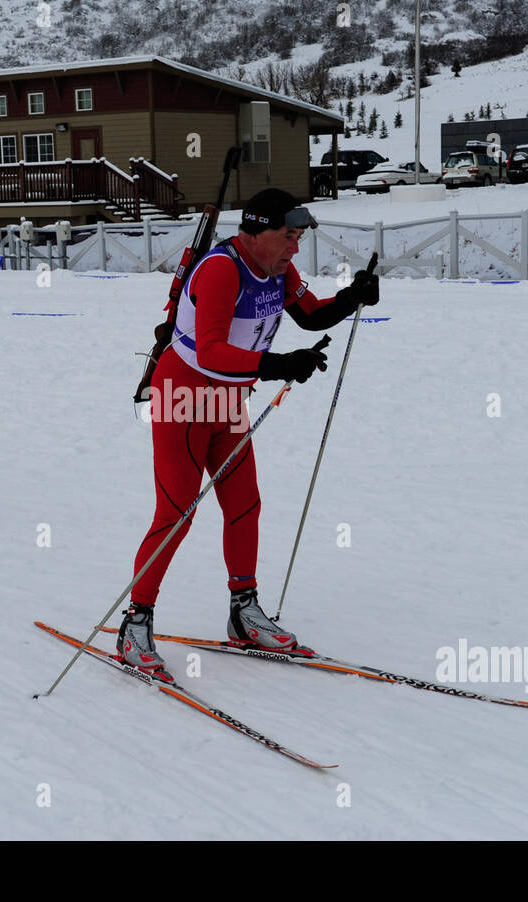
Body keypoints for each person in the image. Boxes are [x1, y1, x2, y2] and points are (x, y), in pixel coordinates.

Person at [119, 188, 379, 680]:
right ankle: (135, 623)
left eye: (299, 238)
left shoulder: (277, 271)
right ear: (255, 232)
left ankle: (245, 610)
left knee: (244, 504)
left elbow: (310, 315)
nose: (294, 249)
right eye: (288, 237)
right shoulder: (221, 270)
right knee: (175, 514)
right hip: (183, 399)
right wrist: (277, 364)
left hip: (227, 404)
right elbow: (213, 351)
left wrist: (351, 297)